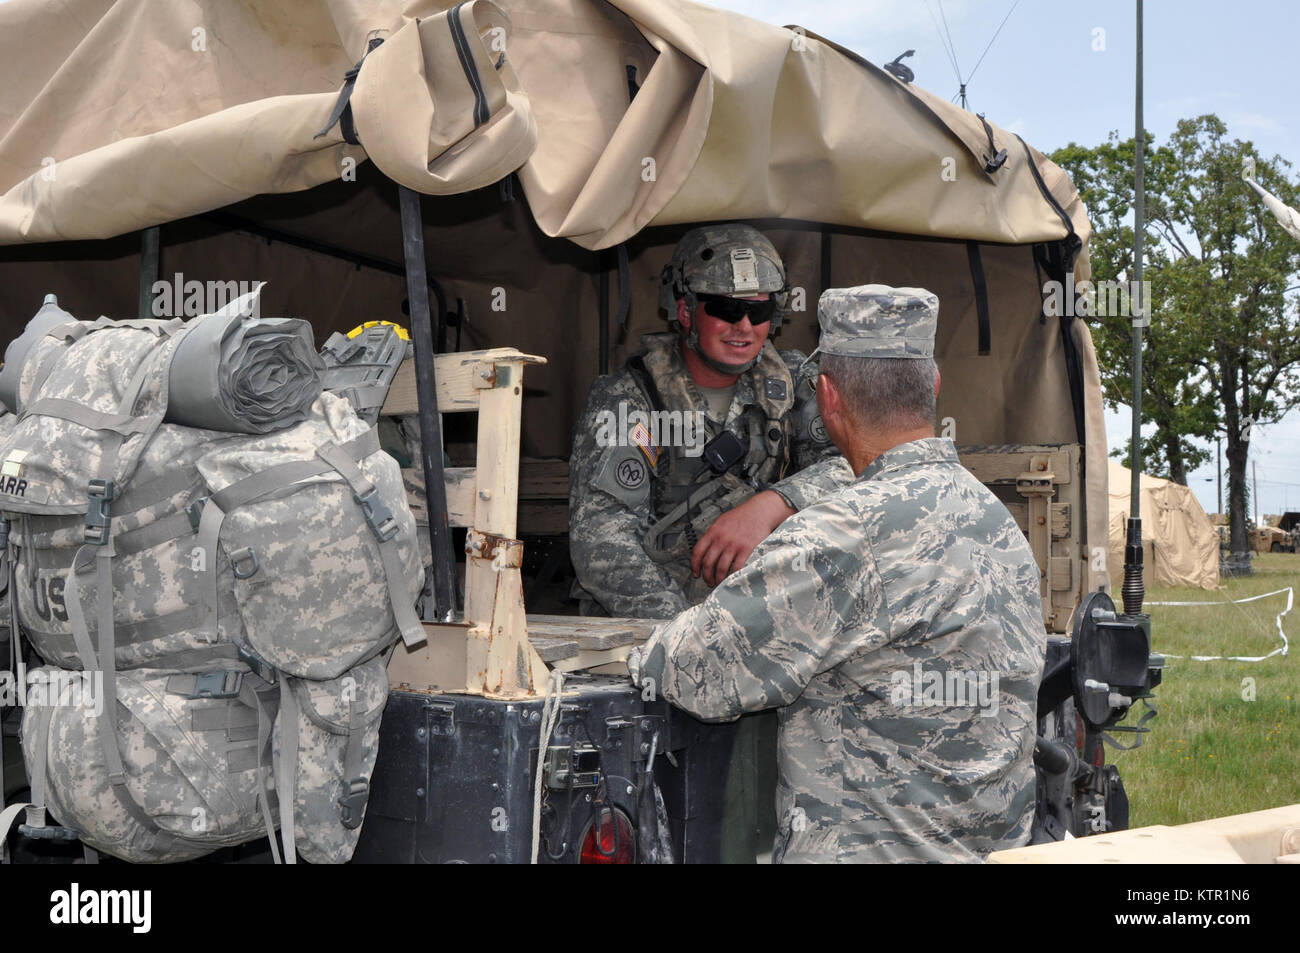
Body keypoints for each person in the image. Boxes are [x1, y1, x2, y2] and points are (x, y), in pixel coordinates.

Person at [626, 284, 1048, 863]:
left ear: (827, 397)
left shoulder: (839, 536)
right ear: (935, 385)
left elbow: (691, 669)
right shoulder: (993, 517)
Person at [568, 224, 851, 619]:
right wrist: (685, 632)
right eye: (727, 309)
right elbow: (603, 545)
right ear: (685, 311)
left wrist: (770, 506)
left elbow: (855, 470)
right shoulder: (631, 399)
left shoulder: (793, 383)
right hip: (658, 621)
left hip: (770, 612)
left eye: (759, 310)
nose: (745, 326)